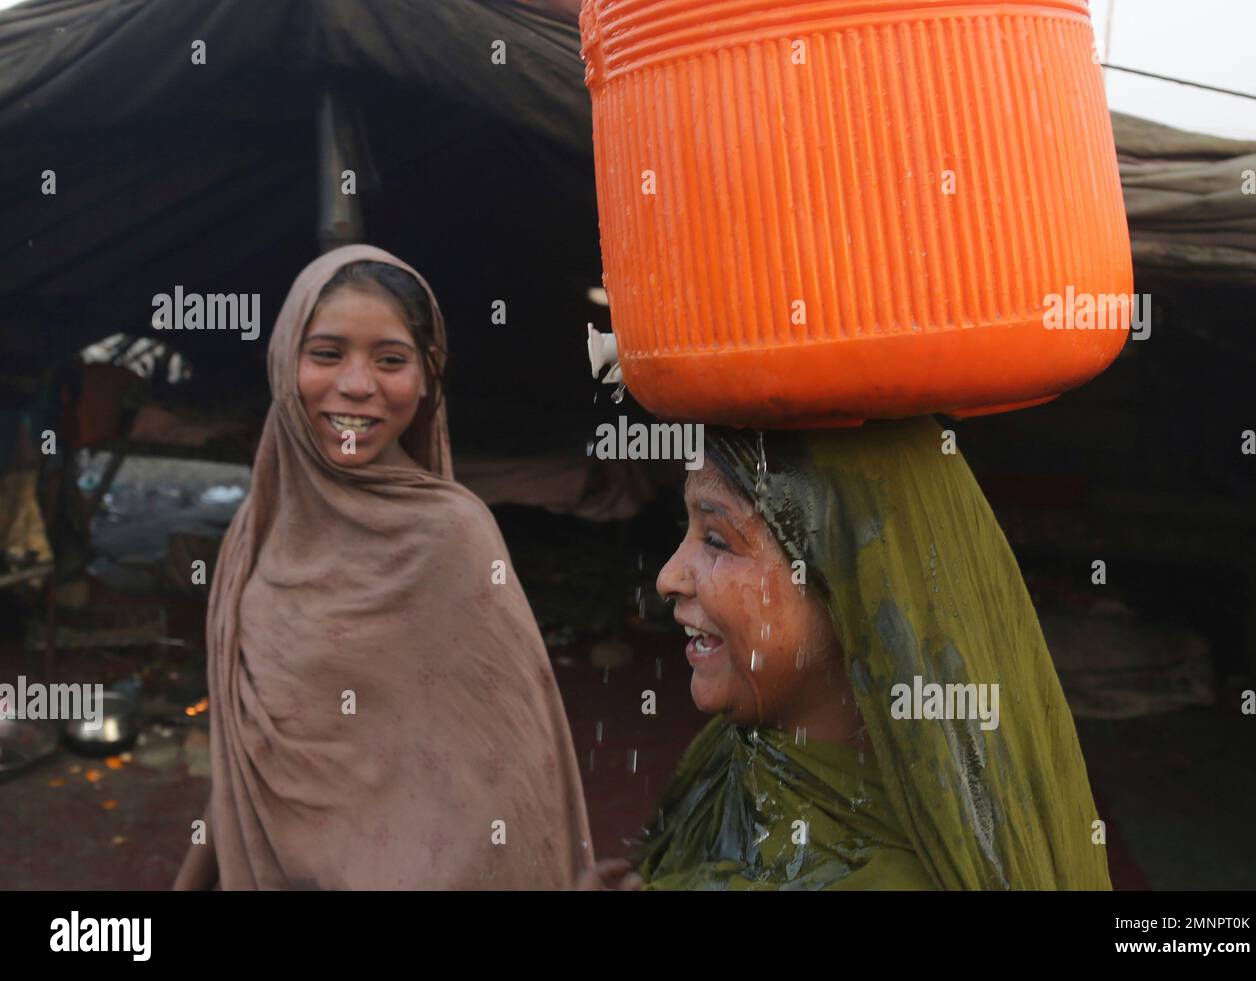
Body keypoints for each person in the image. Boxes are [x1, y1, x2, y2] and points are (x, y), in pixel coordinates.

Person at [173, 245, 592, 889]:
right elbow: (242, 753)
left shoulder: (453, 537)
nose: (358, 385)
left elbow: (510, 774)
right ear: (285, 363)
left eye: (390, 360)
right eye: (326, 353)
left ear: (427, 377)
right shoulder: (255, 531)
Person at [624, 417, 1111, 890]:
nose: (668, 577)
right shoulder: (735, 758)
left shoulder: (898, 876)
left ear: (847, 584)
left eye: (716, 540)